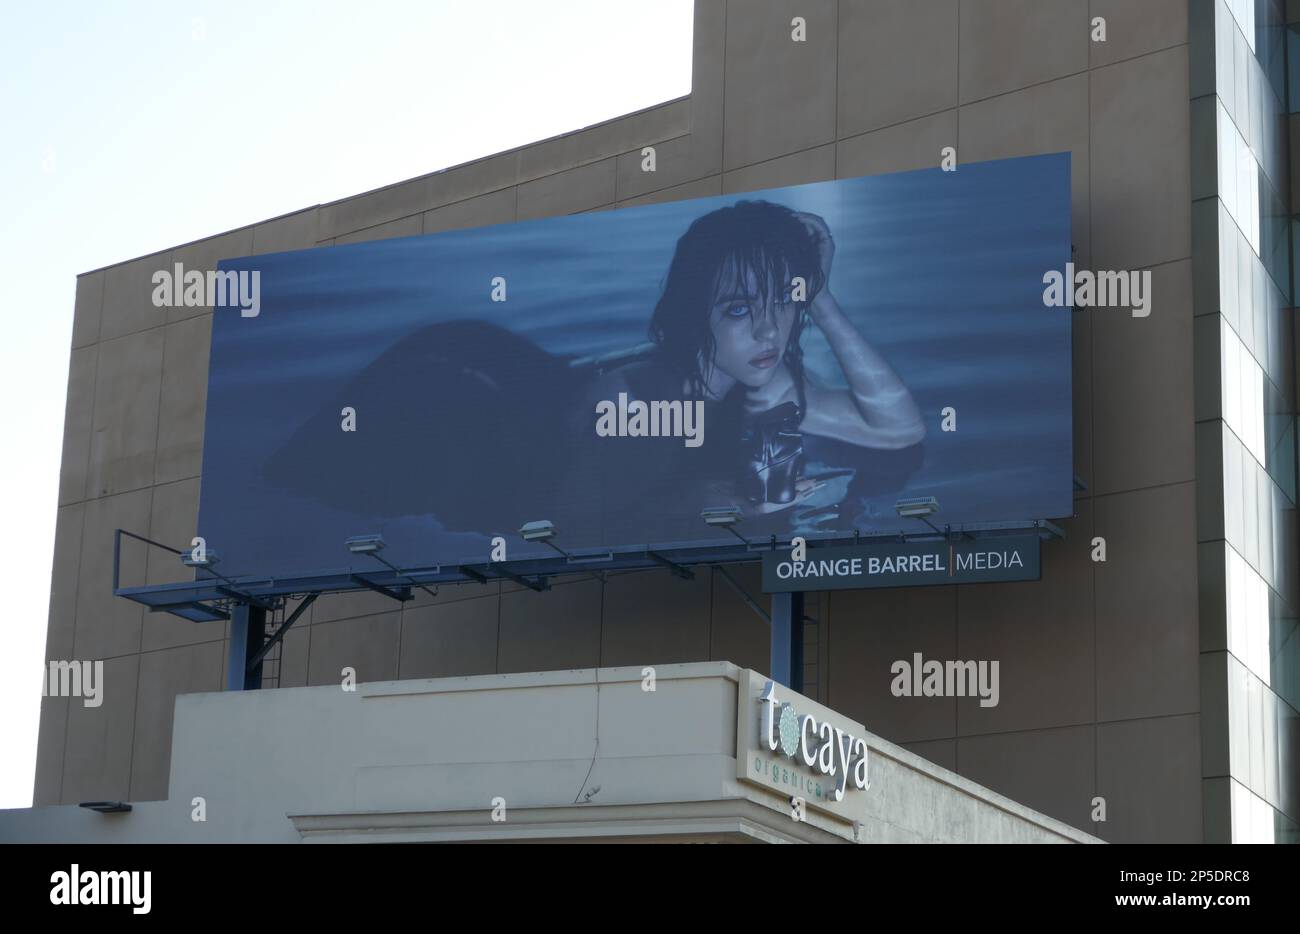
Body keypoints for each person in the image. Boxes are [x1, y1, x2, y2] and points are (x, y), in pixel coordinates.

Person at [582, 199, 925, 536]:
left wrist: (820, 300)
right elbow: (592, 518)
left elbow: (899, 432)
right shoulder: (628, 398)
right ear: (693, 311)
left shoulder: (771, 388)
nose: (770, 331)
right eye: (739, 310)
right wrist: (724, 503)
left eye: (783, 301)